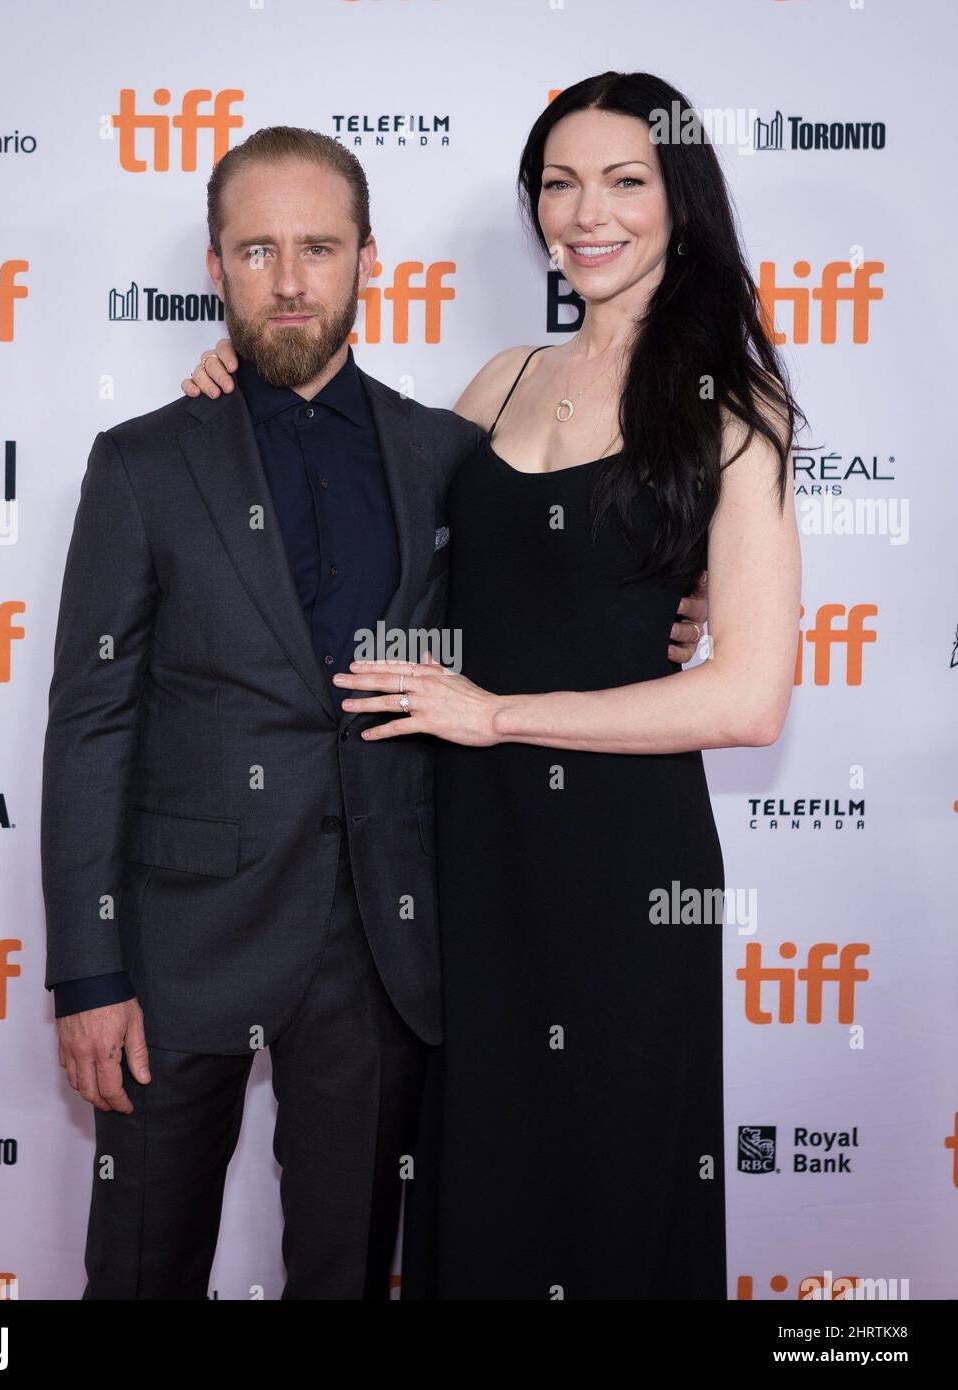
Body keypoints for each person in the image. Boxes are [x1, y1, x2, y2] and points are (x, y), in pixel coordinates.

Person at [42, 121, 711, 1300]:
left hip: (384, 953)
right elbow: (90, 724)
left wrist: (680, 602)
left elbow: (561, 573)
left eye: (318, 248)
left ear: (368, 260)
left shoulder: (448, 451)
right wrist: (91, 975)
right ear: (215, 266)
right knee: (138, 1272)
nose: (289, 281)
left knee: (348, 1275)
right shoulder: (143, 461)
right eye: (257, 252)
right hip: (178, 953)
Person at [182, 73, 802, 1299]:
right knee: (479, 1195)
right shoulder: (501, 382)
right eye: (559, 184)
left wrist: (500, 713)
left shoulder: (733, 408)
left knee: (616, 1190)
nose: (587, 212)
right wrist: (242, 393)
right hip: (467, 862)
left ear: (681, 199)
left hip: (625, 872)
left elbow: (747, 699)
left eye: (624, 179)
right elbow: (371, 512)